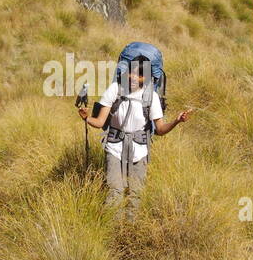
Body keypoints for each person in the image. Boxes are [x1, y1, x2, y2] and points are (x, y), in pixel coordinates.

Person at [77, 55, 192, 218]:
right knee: (114, 189)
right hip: (114, 146)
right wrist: (86, 118)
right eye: (132, 72)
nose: (134, 77)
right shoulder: (115, 90)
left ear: (147, 77)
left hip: (139, 150)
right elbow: (100, 121)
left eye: (140, 74)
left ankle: (130, 228)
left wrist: (177, 121)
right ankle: (112, 227)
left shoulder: (150, 96)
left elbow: (159, 129)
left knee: (136, 192)